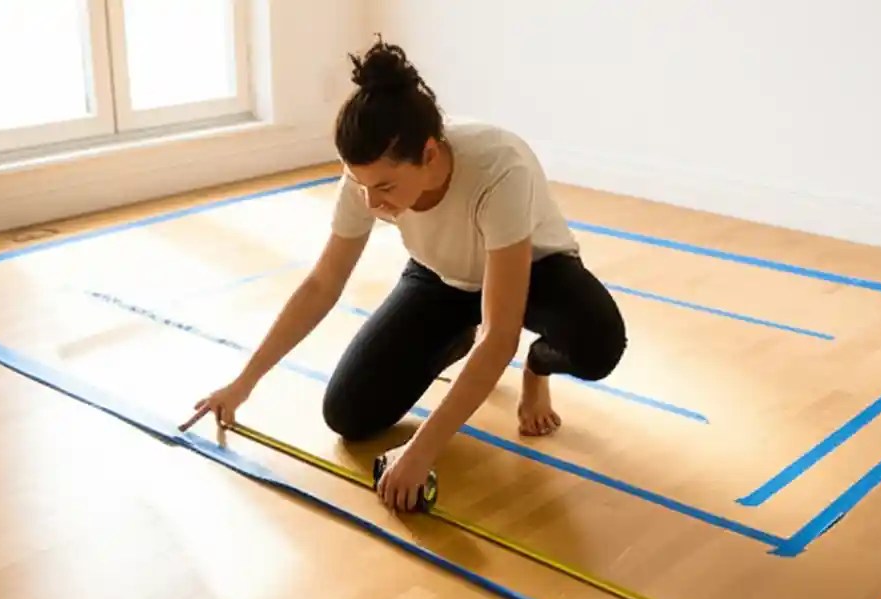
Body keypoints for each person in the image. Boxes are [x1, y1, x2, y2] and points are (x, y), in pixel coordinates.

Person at [182, 37, 627, 511]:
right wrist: (243, 382)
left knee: (598, 343)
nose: (373, 203)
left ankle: (538, 368)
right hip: (439, 279)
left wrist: (421, 452)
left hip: (536, 271)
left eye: (386, 186)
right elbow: (322, 283)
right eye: (361, 185)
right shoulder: (366, 183)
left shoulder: (500, 168)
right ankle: (453, 339)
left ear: (430, 155)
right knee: (347, 415)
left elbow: (500, 337)